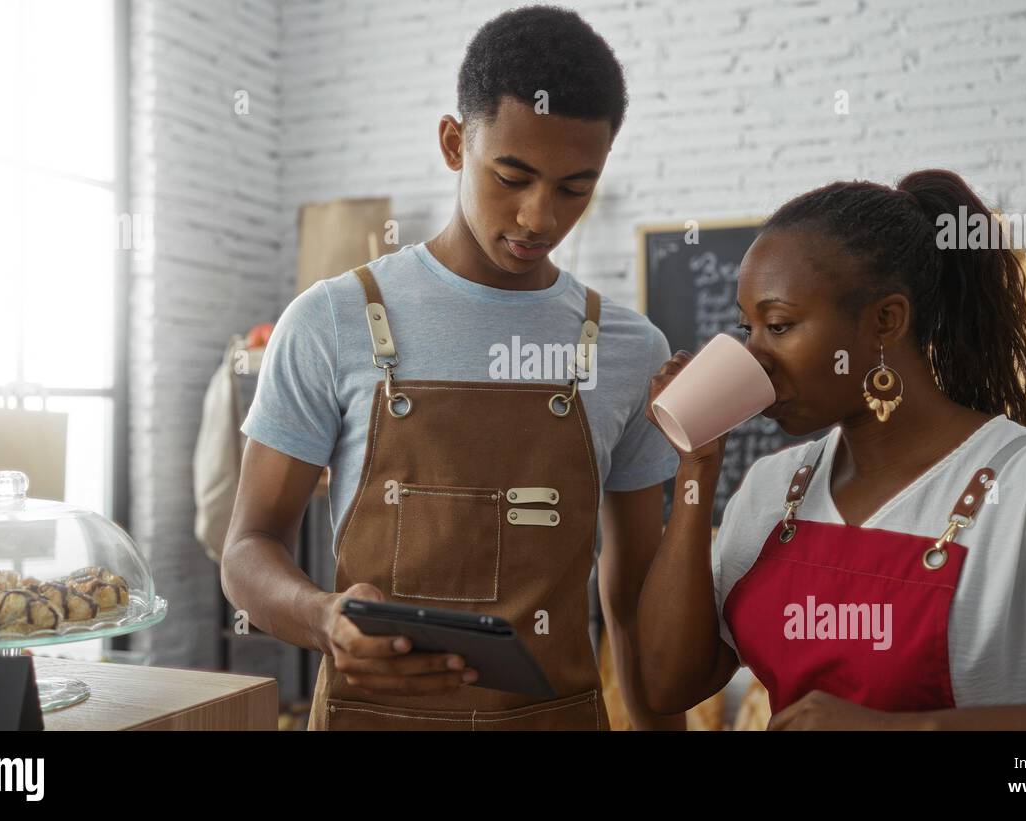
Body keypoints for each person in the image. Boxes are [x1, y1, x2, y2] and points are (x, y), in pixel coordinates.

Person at [224, 6, 682, 730]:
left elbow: (630, 603)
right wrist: (321, 617)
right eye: (513, 176)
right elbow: (247, 548)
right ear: (451, 142)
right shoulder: (331, 320)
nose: (538, 217)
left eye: (574, 188)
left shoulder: (629, 349)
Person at [637, 169, 1026, 729]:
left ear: (886, 321)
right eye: (749, 330)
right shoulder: (772, 491)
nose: (755, 356)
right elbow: (671, 682)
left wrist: (914, 729)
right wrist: (696, 468)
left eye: (781, 325)